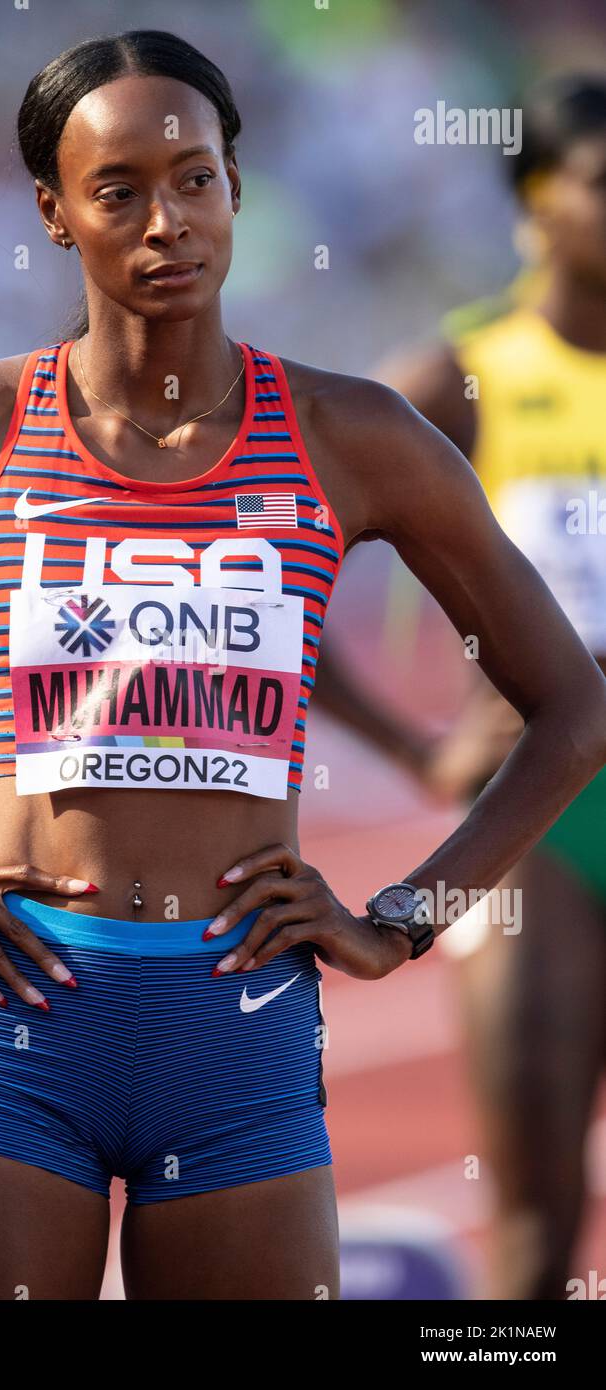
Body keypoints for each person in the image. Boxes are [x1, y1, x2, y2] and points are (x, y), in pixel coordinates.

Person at [0, 33, 604, 1302]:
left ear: (239, 188)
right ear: (51, 211)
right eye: (119, 190)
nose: (167, 222)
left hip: (237, 1028)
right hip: (22, 1010)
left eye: (194, 179)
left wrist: (401, 920)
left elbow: (572, 707)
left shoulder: (354, 435)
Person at [316, 73, 606, 1300]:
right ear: (536, 201)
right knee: (536, 1222)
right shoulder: (457, 379)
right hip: (540, 825)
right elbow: (274, 571)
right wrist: (415, 745)